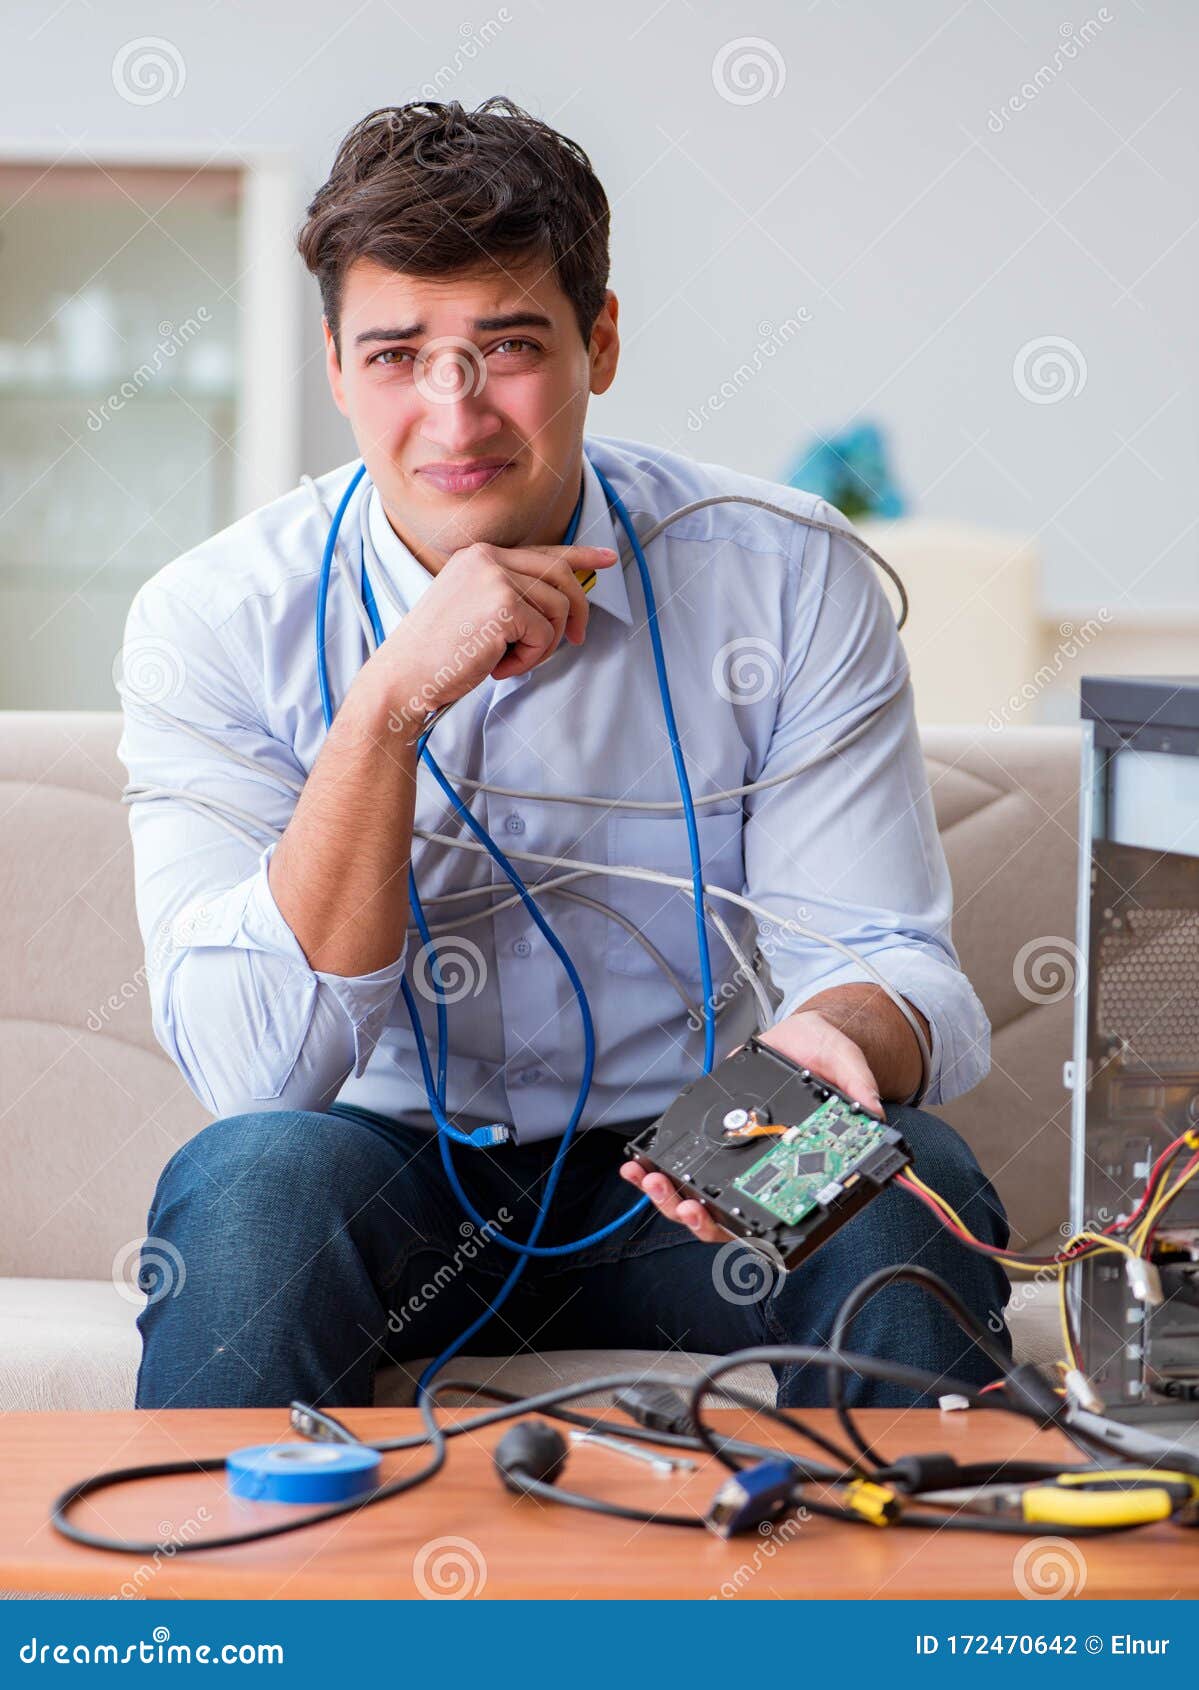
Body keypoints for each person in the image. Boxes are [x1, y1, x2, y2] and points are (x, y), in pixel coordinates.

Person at [117, 97, 1010, 1413]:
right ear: (333, 365)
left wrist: (834, 1031)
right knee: (253, 1182)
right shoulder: (213, 617)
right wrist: (386, 708)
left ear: (599, 340)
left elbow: (888, 957)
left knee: (898, 1186)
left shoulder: (786, 572)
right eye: (396, 354)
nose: (453, 410)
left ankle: (940, 1616)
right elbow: (261, 1071)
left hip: (699, 1148)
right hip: (380, 1159)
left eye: (510, 345)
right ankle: (216, 1625)